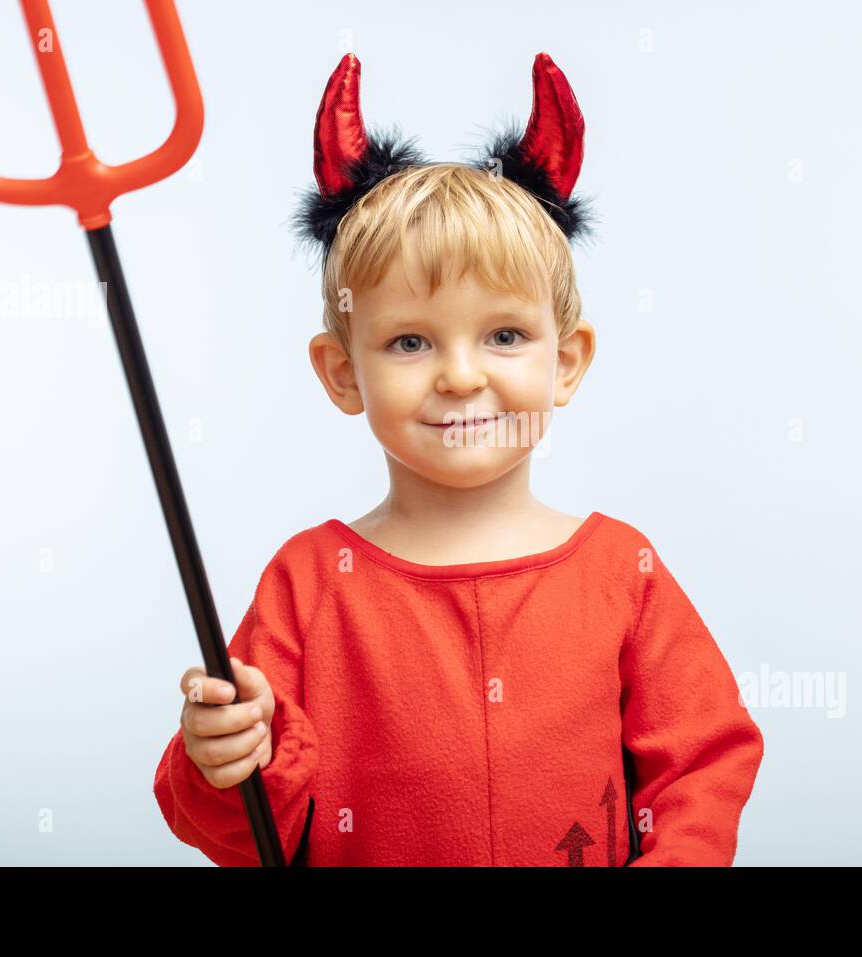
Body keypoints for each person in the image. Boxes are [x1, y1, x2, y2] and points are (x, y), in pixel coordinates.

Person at [153, 52, 764, 866]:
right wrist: (226, 754)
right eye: (410, 340)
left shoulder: (626, 572)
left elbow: (701, 766)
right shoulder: (307, 582)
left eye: (505, 335)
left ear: (568, 360)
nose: (462, 375)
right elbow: (237, 825)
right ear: (343, 373)